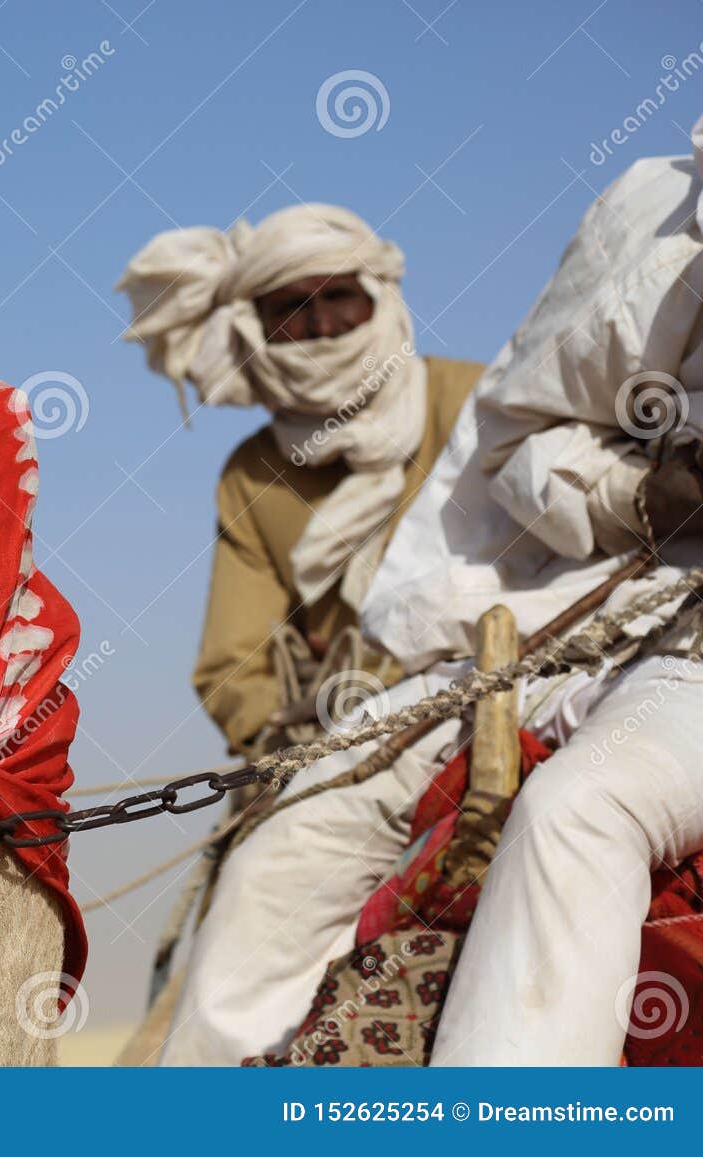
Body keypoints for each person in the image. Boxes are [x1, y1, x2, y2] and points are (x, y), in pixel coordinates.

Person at [359, 120, 703, 1065]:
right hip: (602, 615)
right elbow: (526, 443)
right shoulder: (657, 225)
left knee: (574, 809)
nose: (318, 333)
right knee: (304, 824)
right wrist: (647, 492)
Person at [118, 204, 483, 758]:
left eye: (338, 297)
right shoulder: (253, 476)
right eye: (293, 308)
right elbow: (233, 665)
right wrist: (290, 723)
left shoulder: (474, 404)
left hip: (507, 694)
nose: (321, 326)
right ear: (256, 327)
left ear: (378, 297)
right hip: (343, 749)